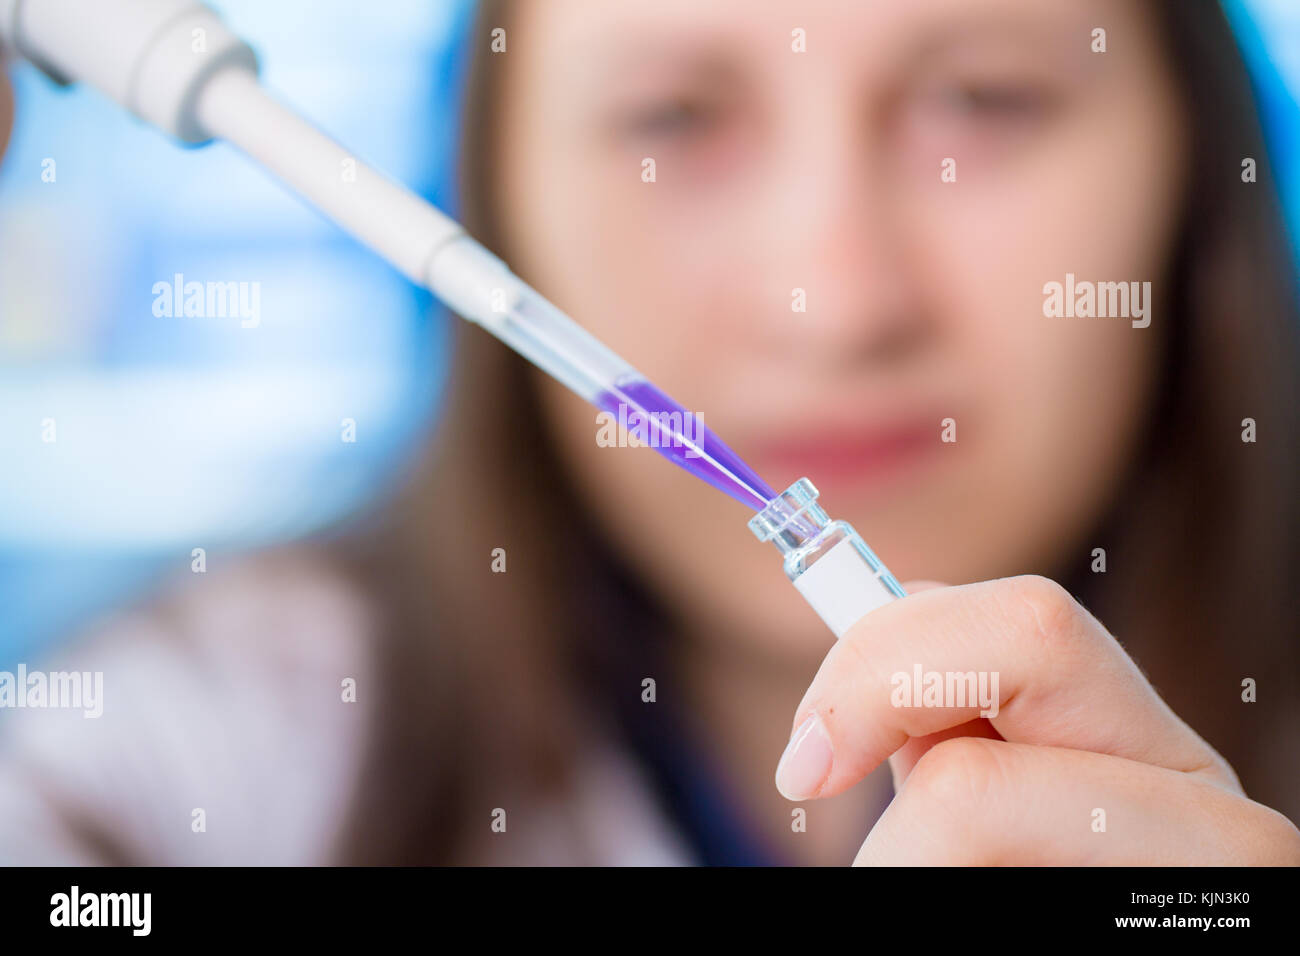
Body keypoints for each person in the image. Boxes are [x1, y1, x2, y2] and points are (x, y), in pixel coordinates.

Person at [1, 0, 1298, 865]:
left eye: (984, 102)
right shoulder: (164, 766)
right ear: (497, 181)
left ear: (1197, 162)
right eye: (675, 117)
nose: (837, 303)